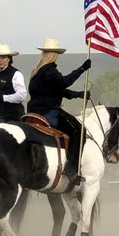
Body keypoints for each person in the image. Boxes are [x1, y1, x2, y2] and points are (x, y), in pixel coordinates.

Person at [27, 38, 91, 178]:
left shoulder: (37, 71)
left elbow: (57, 90)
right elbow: (64, 82)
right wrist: (82, 68)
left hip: (32, 111)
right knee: (79, 130)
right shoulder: (49, 70)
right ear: (54, 54)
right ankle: (71, 168)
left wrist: (78, 94)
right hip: (48, 112)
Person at [0, 43, 28, 123]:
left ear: (9, 59)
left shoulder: (16, 74)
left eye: (3, 57)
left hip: (13, 117)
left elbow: (21, 96)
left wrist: (3, 98)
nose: (0, 60)